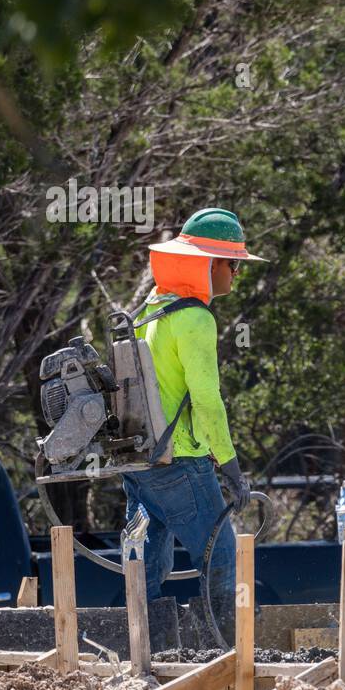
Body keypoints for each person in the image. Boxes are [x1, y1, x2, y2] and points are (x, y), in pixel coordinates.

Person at [121, 208, 263, 637]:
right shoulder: (196, 319)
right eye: (232, 264)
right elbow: (206, 400)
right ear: (207, 265)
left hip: (144, 462)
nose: (236, 274)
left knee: (147, 563)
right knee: (221, 558)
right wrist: (232, 469)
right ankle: (220, 650)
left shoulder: (154, 309)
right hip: (182, 461)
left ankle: (147, 651)